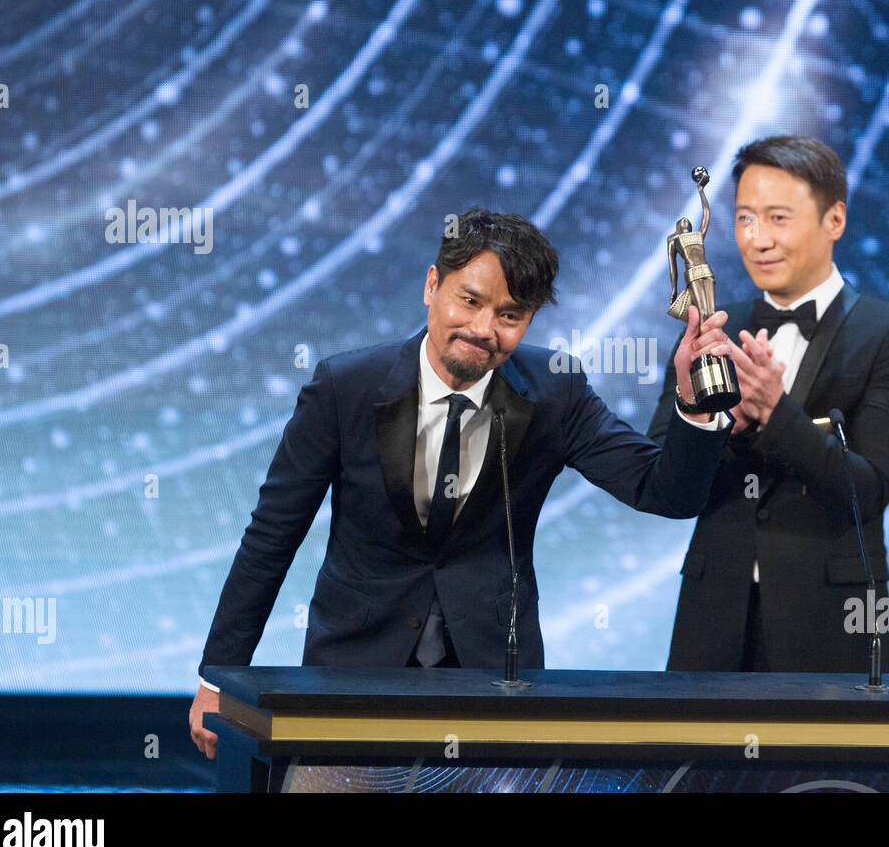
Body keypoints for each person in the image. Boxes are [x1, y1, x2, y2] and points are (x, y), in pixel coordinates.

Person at [190, 208, 733, 758]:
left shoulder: (555, 392)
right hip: (354, 671)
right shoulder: (345, 387)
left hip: (493, 679)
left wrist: (693, 404)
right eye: (469, 301)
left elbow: (666, 493)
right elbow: (272, 536)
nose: (483, 330)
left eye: (510, 315)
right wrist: (218, 677)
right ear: (433, 285)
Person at [648, 135, 889, 673]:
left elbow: (867, 491)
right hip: (712, 619)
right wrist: (711, 424)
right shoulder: (710, 329)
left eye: (778, 218)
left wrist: (776, 414)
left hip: (833, 624)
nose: (758, 239)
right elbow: (665, 486)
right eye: (745, 219)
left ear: (834, 220)